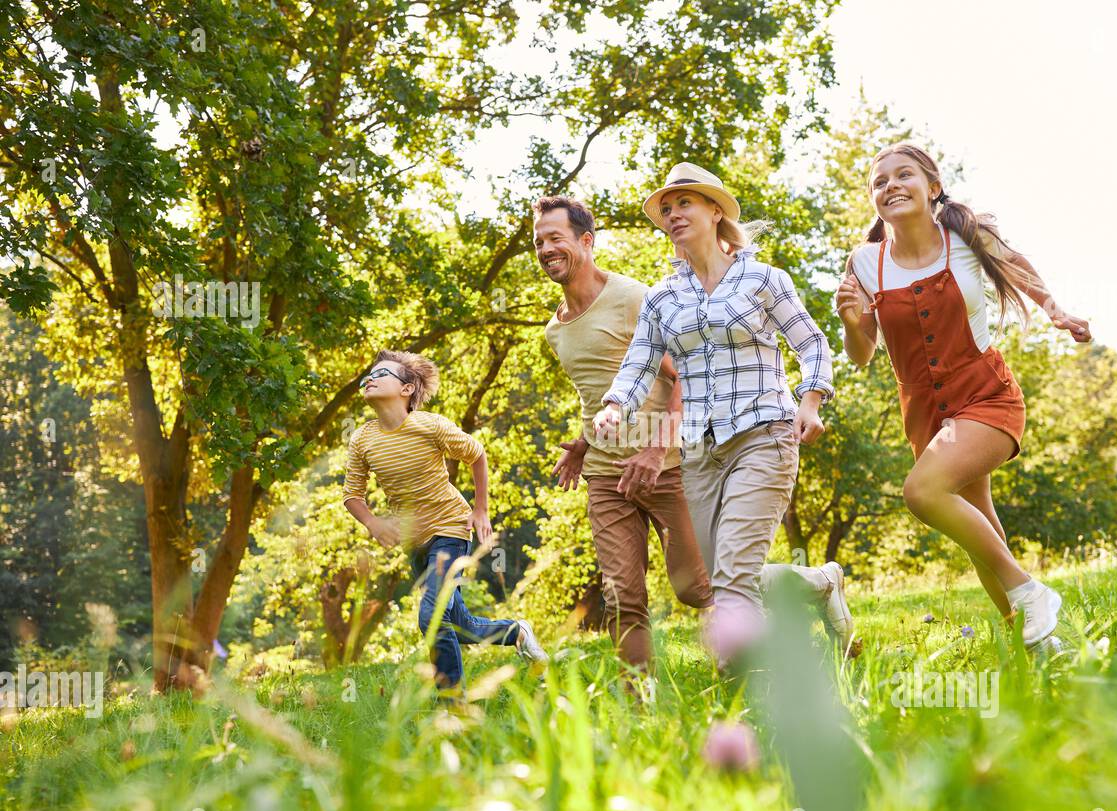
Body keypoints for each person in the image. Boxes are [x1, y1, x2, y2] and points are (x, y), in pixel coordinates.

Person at [834, 143, 1092, 653]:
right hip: (925, 415)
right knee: (981, 532)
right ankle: (1040, 647)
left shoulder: (965, 239)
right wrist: (850, 322)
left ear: (932, 187)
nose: (891, 185)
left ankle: (1029, 593)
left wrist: (1055, 310)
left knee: (923, 493)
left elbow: (1020, 269)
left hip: (985, 396)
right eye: (879, 181)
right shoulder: (866, 263)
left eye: (903, 175)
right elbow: (861, 354)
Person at [591, 163, 849, 661]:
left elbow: (812, 343)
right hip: (700, 454)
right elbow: (639, 363)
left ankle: (750, 690)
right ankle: (819, 584)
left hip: (764, 434)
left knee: (732, 582)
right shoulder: (663, 298)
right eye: (666, 209)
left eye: (684, 203)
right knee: (719, 579)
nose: (673, 214)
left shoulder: (763, 278)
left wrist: (810, 400)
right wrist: (614, 406)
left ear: (715, 210)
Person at [535, 195, 713, 676]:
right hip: (605, 477)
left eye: (556, 238)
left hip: (666, 467)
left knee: (696, 588)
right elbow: (600, 394)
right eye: (539, 241)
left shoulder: (634, 296)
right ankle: (641, 708)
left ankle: (812, 587)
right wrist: (585, 442)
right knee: (621, 596)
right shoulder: (556, 329)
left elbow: (685, 377)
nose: (546, 248)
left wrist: (657, 451)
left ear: (585, 241)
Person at [342, 349, 548, 688]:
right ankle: (517, 632)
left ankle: (453, 704)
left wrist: (480, 509)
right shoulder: (363, 438)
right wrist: (373, 523)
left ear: (406, 389)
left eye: (381, 374)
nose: (370, 379)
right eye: (368, 376)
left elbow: (476, 454)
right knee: (459, 624)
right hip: (415, 541)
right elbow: (352, 494)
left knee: (432, 616)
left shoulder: (430, 425)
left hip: (451, 528)